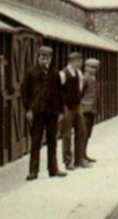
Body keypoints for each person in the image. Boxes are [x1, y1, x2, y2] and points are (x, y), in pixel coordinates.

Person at [20, 46, 67, 180]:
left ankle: (53, 169)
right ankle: (33, 171)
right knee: (36, 142)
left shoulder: (55, 74)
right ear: (38, 58)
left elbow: (59, 93)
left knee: (53, 141)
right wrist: (28, 109)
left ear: (51, 58)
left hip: (52, 112)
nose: (44, 60)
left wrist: (60, 111)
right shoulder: (31, 73)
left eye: (46, 57)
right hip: (37, 112)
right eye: (41, 57)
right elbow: (24, 93)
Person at [60, 52, 89, 170]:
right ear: (73, 61)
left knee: (81, 131)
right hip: (67, 107)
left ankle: (79, 159)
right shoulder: (62, 74)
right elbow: (58, 92)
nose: (81, 64)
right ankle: (68, 161)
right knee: (66, 135)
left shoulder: (79, 74)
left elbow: (80, 89)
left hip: (77, 106)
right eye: (79, 61)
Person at [80, 58, 100, 163]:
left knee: (87, 134)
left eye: (96, 67)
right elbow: (79, 93)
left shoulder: (93, 79)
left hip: (91, 109)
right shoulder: (85, 78)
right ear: (86, 67)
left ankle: (84, 154)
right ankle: (80, 157)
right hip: (85, 110)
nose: (94, 69)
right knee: (83, 133)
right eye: (92, 67)